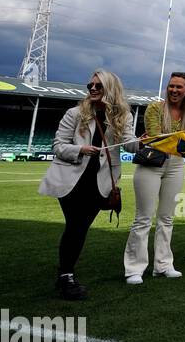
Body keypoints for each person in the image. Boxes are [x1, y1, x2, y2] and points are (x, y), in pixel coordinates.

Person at [39, 69, 136, 300]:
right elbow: (58, 145)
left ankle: (65, 273)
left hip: (99, 182)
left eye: (98, 86)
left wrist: (145, 142)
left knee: (80, 228)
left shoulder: (123, 116)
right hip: (72, 180)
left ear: (110, 89)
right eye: (90, 86)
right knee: (76, 225)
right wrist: (80, 149)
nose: (92, 89)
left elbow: (130, 145)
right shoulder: (75, 113)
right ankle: (66, 277)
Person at [123, 71, 185, 285]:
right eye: (171, 86)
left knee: (167, 218)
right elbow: (156, 138)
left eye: (179, 87)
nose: (174, 90)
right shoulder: (155, 108)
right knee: (143, 218)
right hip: (152, 162)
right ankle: (134, 268)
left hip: (176, 165)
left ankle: (163, 265)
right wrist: (183, 140)